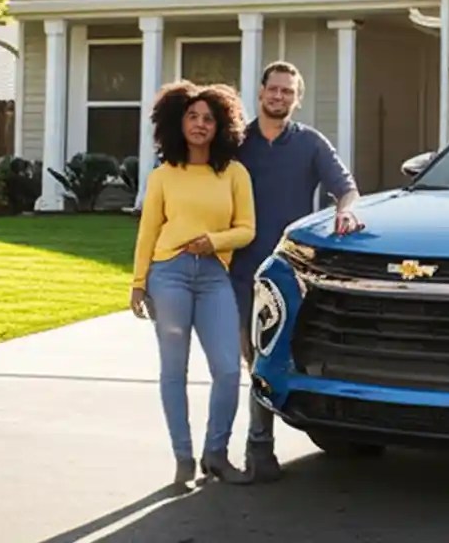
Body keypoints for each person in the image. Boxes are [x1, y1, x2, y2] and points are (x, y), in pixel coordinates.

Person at [230, 61, 361, 483]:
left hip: (289, 275)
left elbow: (347, 189)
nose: (280, 97)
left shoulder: (310, 144)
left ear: (296, 98)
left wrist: (346, 212)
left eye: (288, 92)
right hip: (237, 272)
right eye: (274, 89)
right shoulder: (237, 142)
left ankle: (270, 446)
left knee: (277, 361)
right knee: (253, 364)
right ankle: (255, 448)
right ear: (261, 91)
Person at [130, 80, 256, 488]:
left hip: (213, 276)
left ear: (222, 126)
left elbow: (247, 229)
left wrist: (214, 242)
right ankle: (183, 459)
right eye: (192, 117)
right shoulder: (163, 175)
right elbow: (148, 232)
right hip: (168, 275)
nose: (200, 124)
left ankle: (215, 454)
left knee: (227, 369)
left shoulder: (234, 173)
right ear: (177, 122)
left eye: (209, 118)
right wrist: (138, 283)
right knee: (173, 370)